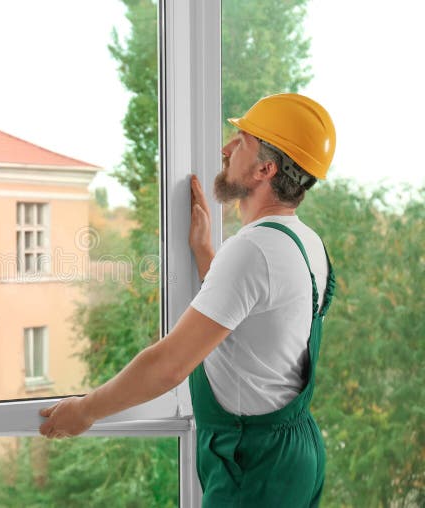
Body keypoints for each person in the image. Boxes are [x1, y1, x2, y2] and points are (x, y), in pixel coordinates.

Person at [39, 93, 336, 507]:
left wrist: (87, 410)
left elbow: (168, 366)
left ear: (265, 169)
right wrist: (204, 255)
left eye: (241, 141)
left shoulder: (251, 250)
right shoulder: (304, 241)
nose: (226, 148)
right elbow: (253, 323)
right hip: (294, 453)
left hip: (253, 464)